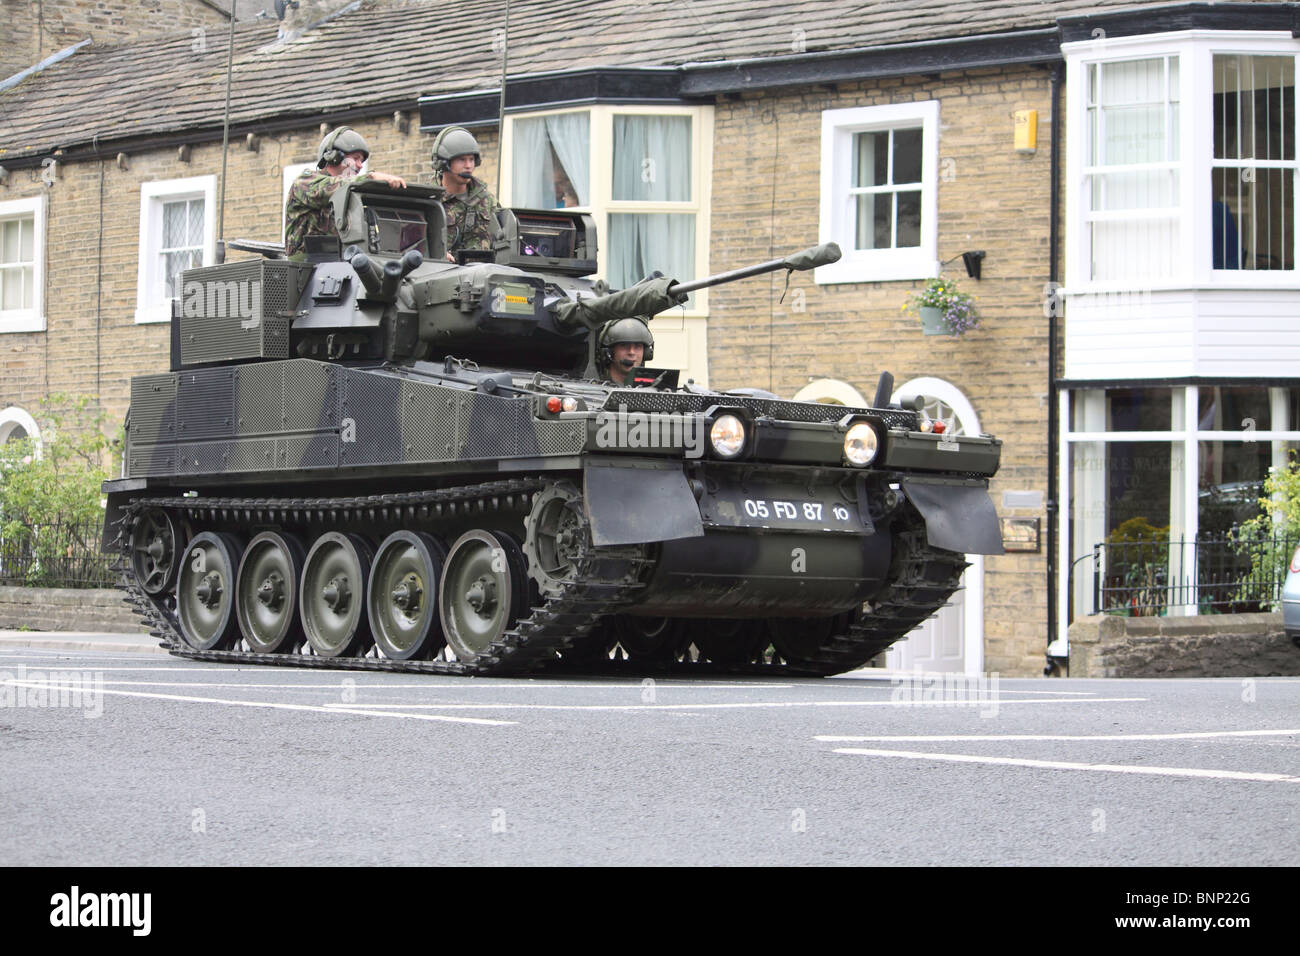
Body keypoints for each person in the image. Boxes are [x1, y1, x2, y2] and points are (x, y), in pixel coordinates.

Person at [284, 126, 407, 260]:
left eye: (362, 161)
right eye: (355, 158)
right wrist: (370, 177)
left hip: (339, 264)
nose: (360, 165)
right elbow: (331, 188)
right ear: (334, 157)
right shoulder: (305, 183)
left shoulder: (352, 193)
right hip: (304, 268)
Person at [433, 126, 502, 259]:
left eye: (471, 159)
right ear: (444, 163)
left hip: (481, 275)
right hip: (441, 274)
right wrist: (436, 256)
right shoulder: (430, 201)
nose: (468, 166)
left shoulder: (487, 200)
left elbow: (504, 242)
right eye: (461, 160)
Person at [597, 316, 655, 385]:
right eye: (624, 345)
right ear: (609, 352)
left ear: (646, 353)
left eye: (637, 346)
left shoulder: (652, 387)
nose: (631, 352)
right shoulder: (594, 386)